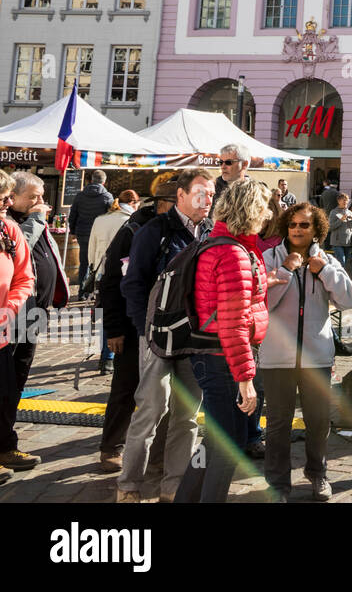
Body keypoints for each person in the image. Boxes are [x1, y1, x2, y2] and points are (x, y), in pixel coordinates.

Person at [117, 168, 215, 502]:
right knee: (150, 410)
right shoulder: (155, 230)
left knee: (187, 415)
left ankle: (173, 485)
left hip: (195, 339)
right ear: (182, 195)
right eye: (201, 193)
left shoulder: (212, 233)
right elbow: (133, 284)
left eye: (212, 194)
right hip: (158, 338)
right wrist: (146, 331)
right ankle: (128, 485)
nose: (207, 200)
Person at [174, 178, 270, 504]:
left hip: (211, 354)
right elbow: (232, 323)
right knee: (229, 443)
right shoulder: (233, 253)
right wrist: (245, 379)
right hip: (223, 358)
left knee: (216, 440)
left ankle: (186, 498)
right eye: (263, 207)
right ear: (250, 210)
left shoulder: (219, 244)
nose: (268, 213)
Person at [261, 203, 352, 501]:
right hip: (277, 356)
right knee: (278, 424)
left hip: (316, 355)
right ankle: (277, 483)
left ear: (316, 228)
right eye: (292, 225)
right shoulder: (269, 258)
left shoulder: (325, 259)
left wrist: (326, 272)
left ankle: (317, 473)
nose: (298, 230)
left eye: (304, 225)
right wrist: (286, 271)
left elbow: (350, 300)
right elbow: (262, 303)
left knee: (318, 420)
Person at [97, 180, 173, 474]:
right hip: (131, 325)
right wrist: (113, 329)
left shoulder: (182, 229)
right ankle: (111, 447)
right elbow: (112, 282)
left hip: (167, 327)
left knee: (166, 393)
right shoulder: (134, 229)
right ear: (164, 201)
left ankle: (158, 453)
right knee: (126, 387)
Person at [4, 172, 70, 472]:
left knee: (16, 379)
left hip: (32, 311)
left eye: (42, 196)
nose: (40, 202)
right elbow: (24, 249)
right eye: (33, 196)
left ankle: (6, 443)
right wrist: (37, 220)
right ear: (13, 197)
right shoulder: (15, 222)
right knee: (6, 382)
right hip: (12, 316)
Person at [0, 171, 34, 482]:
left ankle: (4, 449)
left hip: (2, 332)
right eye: (3, 199)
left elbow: (24, 277)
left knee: (4, 394)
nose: (9, 203)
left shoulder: (8, 229)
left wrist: (9, 308)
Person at [87, 189, 139, 371]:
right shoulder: (132, 221)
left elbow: (91, 247)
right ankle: (111, 356)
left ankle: (105, 356)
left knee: (105, 313)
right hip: (123, 271)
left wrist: (93, 268)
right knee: (119, 312)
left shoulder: (100, 219)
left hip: (101, 271)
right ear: (133, 203)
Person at [68, 169, 113, 298]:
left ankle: (82, 291)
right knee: (98, 262)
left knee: (84, 263)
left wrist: (73, 231)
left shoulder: (80, 195)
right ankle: (94, 291)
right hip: (100, 234)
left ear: (92, 180)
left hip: (83, 233)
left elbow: (73, 215)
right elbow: (110, 215)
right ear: (104, 182)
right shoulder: (107, 196)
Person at [213, 143, 250, 207]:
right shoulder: (212, 189)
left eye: (228, 162)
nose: (223, 167)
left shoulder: (256, 191)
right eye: (221, 162)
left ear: (244, 164)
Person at [327, 193, 352, 267]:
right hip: (337, 242)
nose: (345, 202)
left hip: (348, 241)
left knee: (344, 263)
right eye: (343, 200)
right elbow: (330, 227)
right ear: (338, 201)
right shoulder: (333, 212)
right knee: (341, 263)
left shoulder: (349, 212)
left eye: (346, 200)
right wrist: (341, 220)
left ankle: (336, 275)